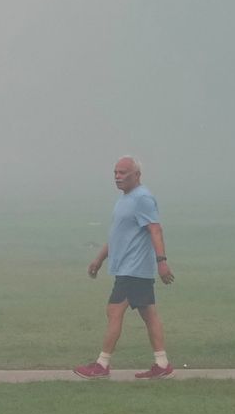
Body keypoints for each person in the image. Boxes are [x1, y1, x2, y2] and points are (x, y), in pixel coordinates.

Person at [74, 156, 176, 380]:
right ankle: (162, 363)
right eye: (115, 173)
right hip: (126, 267)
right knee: (149, 314)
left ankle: (102, 364)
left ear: (137, 175)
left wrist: (162, 261)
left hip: (134, 268)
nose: (117, 177)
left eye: (123, 173)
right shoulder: (125, 199)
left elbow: (155, 230)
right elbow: (119, 235)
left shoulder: (143, 199)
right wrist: (99, 259)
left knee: (114, 311)